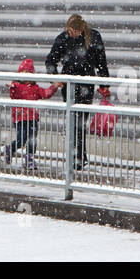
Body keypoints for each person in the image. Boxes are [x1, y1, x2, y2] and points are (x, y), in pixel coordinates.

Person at [45, 14, 110, 170]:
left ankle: (78, 156)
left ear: (80, 29)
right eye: (68, 30)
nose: (70, 33)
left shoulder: (93, 36)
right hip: (69, 84)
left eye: (72, 31)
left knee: (80, 121)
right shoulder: (63, 38)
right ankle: (78, 156)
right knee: (74, 120)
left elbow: (101, 61)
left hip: (86, 84)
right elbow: (50, 60)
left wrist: (104, 83)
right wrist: (54, 78)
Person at [4, 58, 59, 170]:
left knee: (32, 139)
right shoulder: (17, 86)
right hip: (21, 118)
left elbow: (45, 94)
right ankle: (11, 148)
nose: (26, 76)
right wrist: (12, 88)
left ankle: (29, 158)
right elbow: (14, 95)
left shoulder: (35, 88)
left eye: (28, 73)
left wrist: (54, 86)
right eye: (23, 73)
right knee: (21, 139)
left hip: (33, 118)